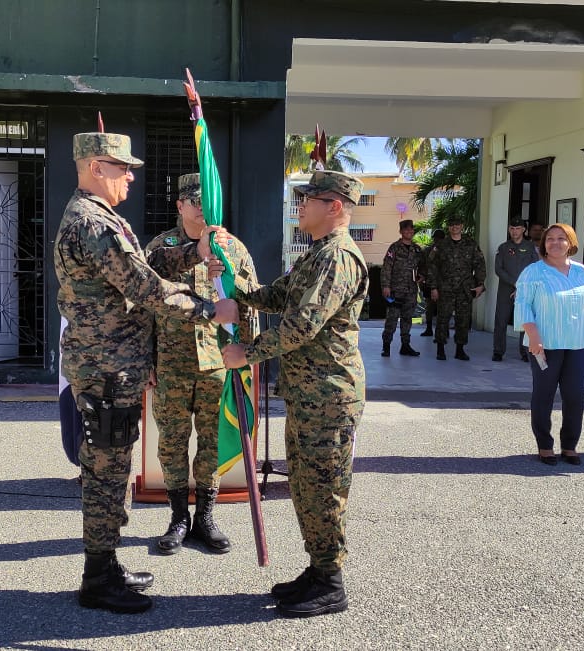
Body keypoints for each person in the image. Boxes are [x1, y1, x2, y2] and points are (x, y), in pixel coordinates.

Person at [54, 132, 237, 614]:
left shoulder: (98, 218)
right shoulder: (94, 225)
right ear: (97, 167)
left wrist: (195, 255)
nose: (131, 176)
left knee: (110, 470)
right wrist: (206, 310)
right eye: (122, 168)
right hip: (106, 367)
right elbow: (148, 287)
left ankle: (107, 565)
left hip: (110, 364)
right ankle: (98, 578)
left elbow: (148, 264)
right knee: (106, 475)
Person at [222, 170, 368, 619]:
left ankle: (330, 581)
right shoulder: (316, 255)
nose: (300, 205)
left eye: (310, 198)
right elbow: (274, 296)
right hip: (309, 395)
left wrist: (246, 353)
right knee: (305, 486)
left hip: (329, 396)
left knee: (324, 488)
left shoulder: (338, 258)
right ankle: (317, 568)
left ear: (336, 207)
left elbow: (304, 325)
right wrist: (233, 287)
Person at [144, 173, 257, 556]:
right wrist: (146, 358)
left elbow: (251, 300)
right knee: (172, 442)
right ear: (179, 206)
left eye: (207, 202)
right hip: (171, 362)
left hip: (218, 362)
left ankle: (206, 518)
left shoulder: (232, 248)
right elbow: (142, 306)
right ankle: (178, 518)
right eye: (195, 202)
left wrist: (248, 355)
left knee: (211, 442)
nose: (202, 209)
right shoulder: (161, 246)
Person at [515, 223, 584, 465]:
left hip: (577, 344)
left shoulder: (580, 271)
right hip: (545, 345)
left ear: (571, 243)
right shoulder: (533, 272)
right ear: (543, 244)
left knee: (575, 396)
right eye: (550, 239)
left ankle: (570, 445)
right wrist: (532, 335)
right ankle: (545, 445)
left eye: (561, 238)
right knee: (544, 396)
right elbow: (522, 305)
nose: (555, 243)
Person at [428, 215, 485, 361]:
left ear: (462, 226)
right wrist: (433, 287)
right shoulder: (441, 245)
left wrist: (480, 284)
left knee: (463, 320)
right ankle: (440, 348)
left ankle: (460, 349)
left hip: (465, 288)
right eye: (452, 225)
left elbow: (479, 264)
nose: (455, 227)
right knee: (442, 319)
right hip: (445, 288)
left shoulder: (471, 244)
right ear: (449, 227)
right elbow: (432, 267)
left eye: (457, 224)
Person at [492, 217, 538, 362]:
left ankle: (525, 352)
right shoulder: (503, 247)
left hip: (525, 290)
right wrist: (514, 283)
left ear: (524, 230)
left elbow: (535, 268)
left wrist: (522, 285)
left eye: (518, 228)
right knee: (501, 320)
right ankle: (498, 351)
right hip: (506, 289)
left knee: (524, 320)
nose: (514, 231)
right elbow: (498, 269)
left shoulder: (530, 247)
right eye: (512, 228)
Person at [380, 219, 422, 357]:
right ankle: (386, 346)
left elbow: (423, 267)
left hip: (411, 291)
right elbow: (386, 268)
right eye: (406, 230)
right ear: (401, 231)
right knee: (391, 319)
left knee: (407, 320)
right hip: (395, 290)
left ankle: (405, 346)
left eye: (411, 229)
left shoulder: (417, 250)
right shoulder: (394, 248)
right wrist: (386, 286)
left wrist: (422, 277)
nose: (409, 232)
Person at [419, 229, 445, 338]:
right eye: (435, 238)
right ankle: (429, 328)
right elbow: (423, 265)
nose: (437, 240)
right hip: (430, 283)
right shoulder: (428, 250)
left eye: (439, 238)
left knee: (443, 308)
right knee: (429, 307)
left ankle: (444, 330)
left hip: (444, 284)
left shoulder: (448, 250)